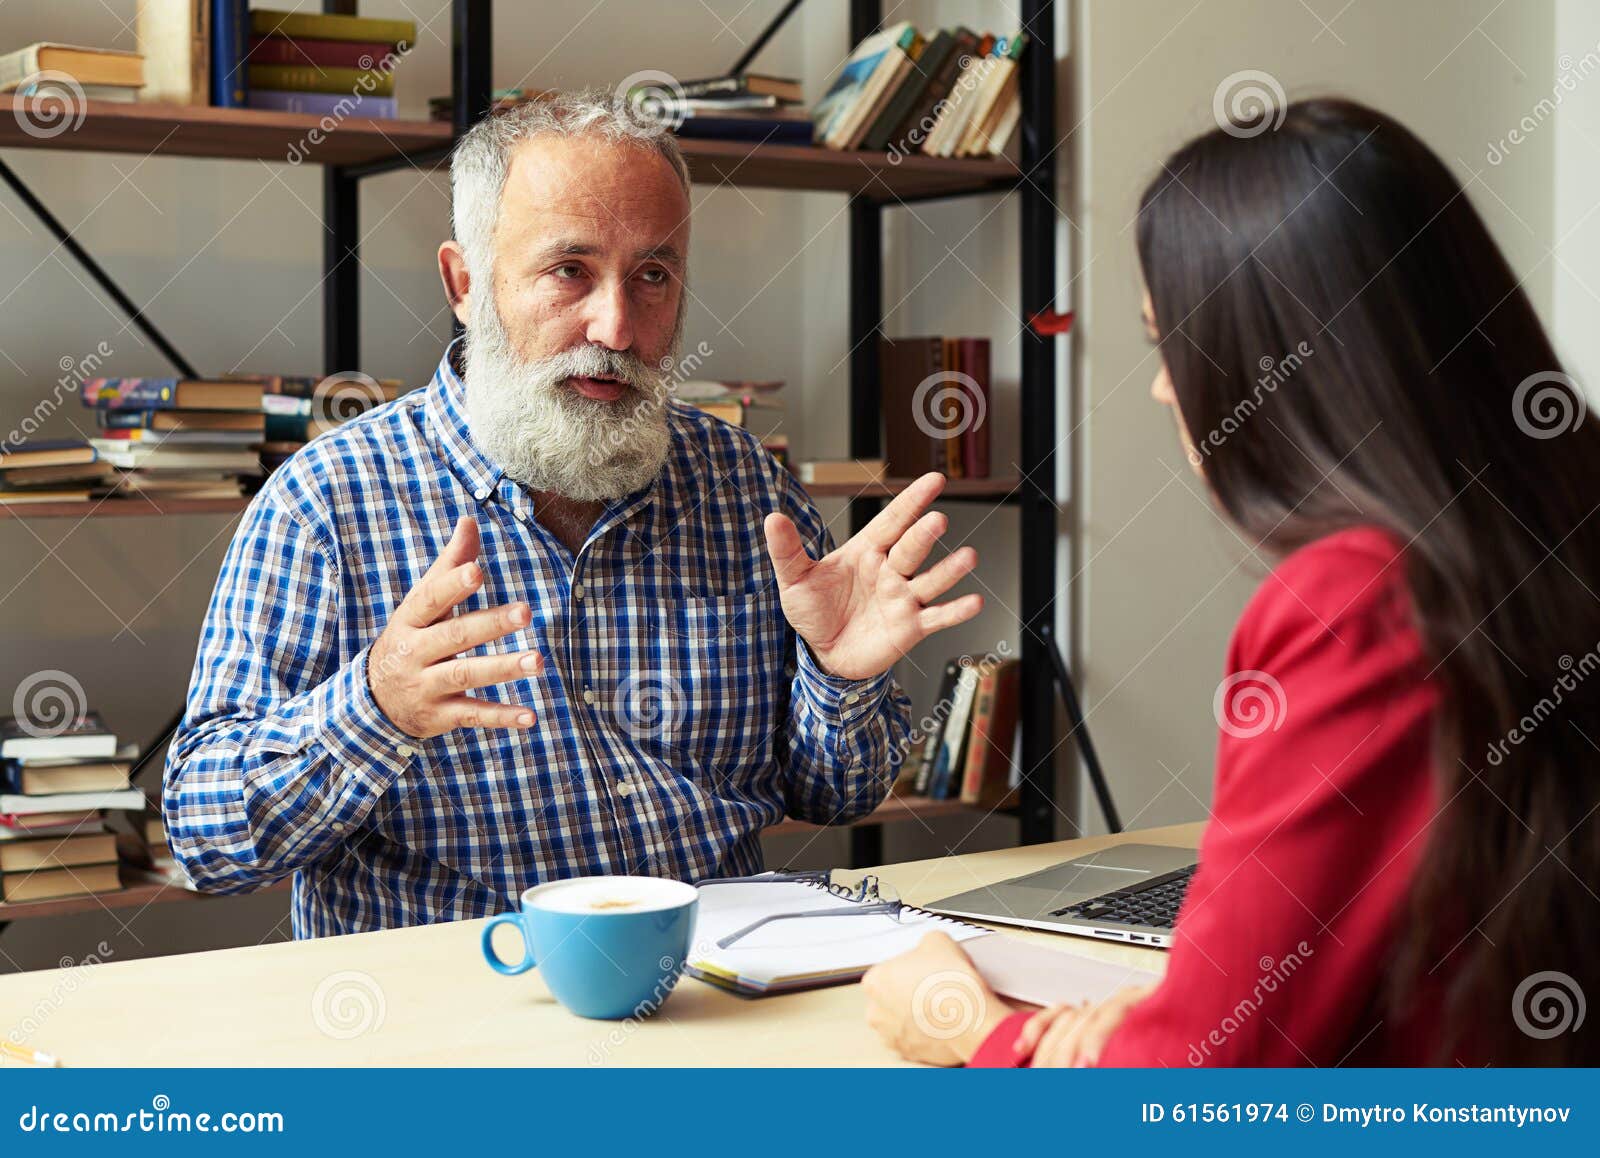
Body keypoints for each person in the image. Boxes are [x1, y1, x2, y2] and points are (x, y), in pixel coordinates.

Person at [863, 97, 1600, 1067]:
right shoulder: (1550, 532)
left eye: (1168, 340)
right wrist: (1187, 1009)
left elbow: (1194, 1096)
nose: (1164, 386)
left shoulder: (1355, 602)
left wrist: (971, 1029)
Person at [163, 92, 983, 937]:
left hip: (711, 980)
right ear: (466, 283)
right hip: (455, 1001)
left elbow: (838, 794)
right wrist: (377, 707)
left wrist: (839, 679)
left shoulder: (744, 487)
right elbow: (205, 843)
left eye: (653, 276)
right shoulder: (326, 502)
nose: (616, 327)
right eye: (569, 271)